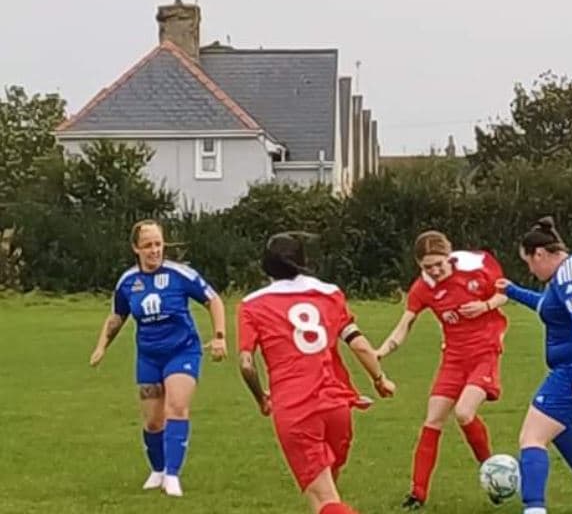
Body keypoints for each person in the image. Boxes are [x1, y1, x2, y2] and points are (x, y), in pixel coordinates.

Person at [237, 232, 396, 514]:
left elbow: (247, 363)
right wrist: (379, 378)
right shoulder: (329, 294)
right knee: (321, 492)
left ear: (266, 266)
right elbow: (357, 343)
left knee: (326, 500)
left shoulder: (253, 305)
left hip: (297, 409)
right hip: (336, 406)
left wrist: (261, 397)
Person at [89, 219, 227, 497]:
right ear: (135, 249)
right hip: (149, 357)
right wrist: (102, 345)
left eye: (158, 244)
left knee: (176, 407)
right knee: (153, 421)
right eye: (147, 245)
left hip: (182, 351)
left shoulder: (180, 274)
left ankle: (173, 476)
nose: (154, 250)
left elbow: (213, 299)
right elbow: (118, 316)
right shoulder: (128, 282)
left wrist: (220, 335)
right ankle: (159, 470)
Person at [375, 231, 509, 510]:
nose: (435, 271)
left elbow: (503, 295)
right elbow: (405, 325)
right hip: (453, 359)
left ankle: (493, 473)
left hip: (484, 352)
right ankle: (418, 493)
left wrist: (484, 305)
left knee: (463, 412)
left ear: (449, 256)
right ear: (418, 264)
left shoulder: (476, 265)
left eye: (439, 264)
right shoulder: (422, 289)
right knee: (432, 420)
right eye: (427, 267)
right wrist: (380, 352)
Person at [498, 217, 572, 514]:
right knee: (555, 422)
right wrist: (512, 291)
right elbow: (549, 308)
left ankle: (534, 509)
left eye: (529, 262)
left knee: (532, 437)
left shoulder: (567, 279)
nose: (531, 270)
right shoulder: (570, 270)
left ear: (540, 254)